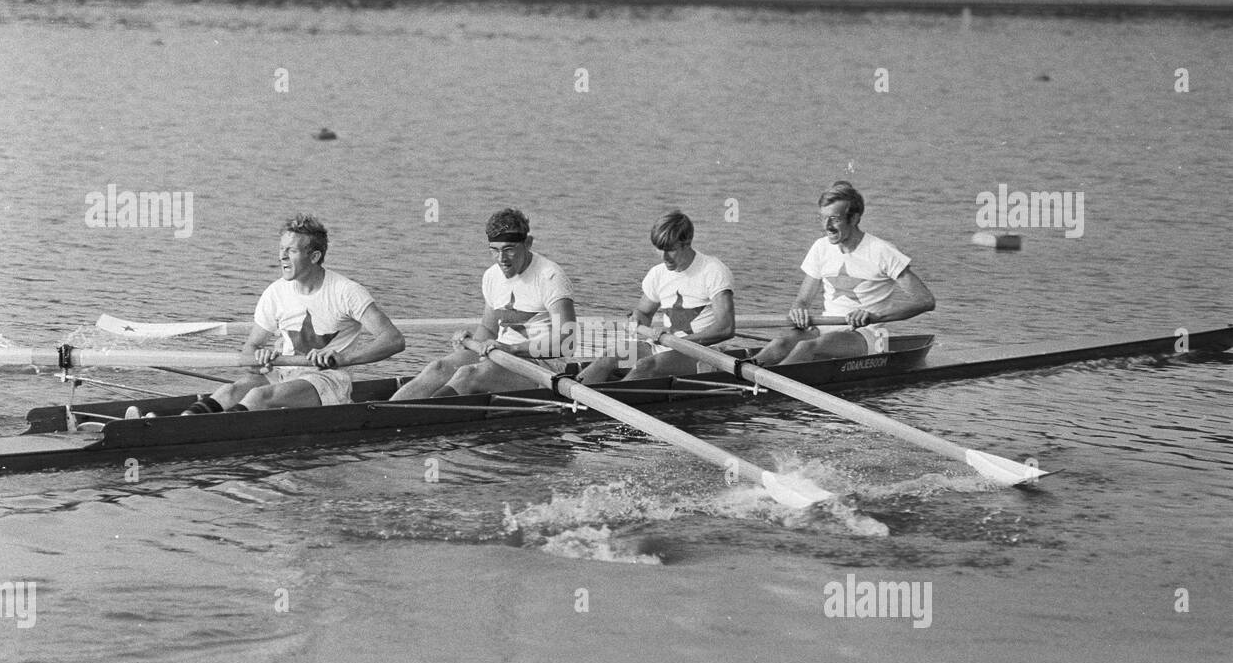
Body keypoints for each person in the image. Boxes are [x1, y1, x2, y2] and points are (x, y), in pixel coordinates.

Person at [182, 214, 405, 413]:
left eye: (292, 251)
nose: (282, 257)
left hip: (327, 378)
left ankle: (212, 432)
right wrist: (260, 359)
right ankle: (186, 422)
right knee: (229, 391)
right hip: (283, 373)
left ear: (314, 256)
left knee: (259, 396)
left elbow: (393, 340)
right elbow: (250, 349)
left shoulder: (347, 292)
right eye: (281, 249)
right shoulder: (275, 292)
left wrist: (343, 358)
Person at [389, 208, 576, 399]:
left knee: (467, 375)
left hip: (541, 367)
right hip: (499, 355)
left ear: (528, 243)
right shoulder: (491, 276)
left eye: (509, 250)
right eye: (494, 250)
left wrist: (512, 349)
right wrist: (471, 344)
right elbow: (489, 329)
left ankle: (416, 418)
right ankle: (383, 414)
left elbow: (566, 343)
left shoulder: (550, 277)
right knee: (437, 368)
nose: (501, 259)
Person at [754, 182, 935, 366]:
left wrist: (876, 316)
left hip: (869, 334)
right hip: (827, 328)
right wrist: (799, 310)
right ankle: (741, 374)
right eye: (822, 218)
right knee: (780, 344)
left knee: (805, 348)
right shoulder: (820, 247)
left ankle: (766, 387)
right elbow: (802, 300)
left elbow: (925, 301)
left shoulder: (882, 251)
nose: (827, 226)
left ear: (854, 218)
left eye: (835, 219)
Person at [580, 209, 734, 383]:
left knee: (645, 366)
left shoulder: (713, 270)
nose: (664, 257)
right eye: (660, 250)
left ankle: (603, 405)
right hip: (664, 346)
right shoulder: (658, 274)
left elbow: (725, 328)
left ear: (687, 242)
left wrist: (675, 341)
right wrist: (637, 319)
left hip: (703, 353)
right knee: (608, 357)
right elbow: (644, 312)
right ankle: (569, 398)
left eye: (670, 250)